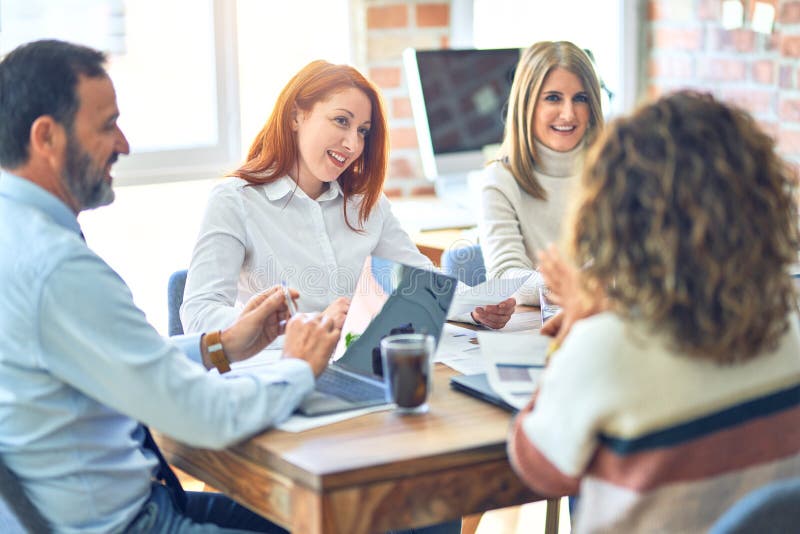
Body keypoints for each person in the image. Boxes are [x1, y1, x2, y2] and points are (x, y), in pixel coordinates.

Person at [0, 39, 341, 533]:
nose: (124, 144)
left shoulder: (17, 236)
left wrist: (219, 346)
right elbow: (203, 416)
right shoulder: (57, 269)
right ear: (46, 137)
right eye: (106, 126)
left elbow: (117, 357)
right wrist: (298, 366)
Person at [508, 91, 800, 532]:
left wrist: (579, 328)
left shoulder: (604, 348)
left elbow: (538, 466)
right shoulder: (789, 330)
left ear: (619, 217)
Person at [180, 60, 514, 336]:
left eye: (363, 132)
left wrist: (475, 307)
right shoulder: (235, 200)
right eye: (341, 121)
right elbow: (198, 315)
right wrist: (300, 326)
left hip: (358, 368)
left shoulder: (366, 203)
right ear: (297, 115)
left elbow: (421, 283)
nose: (353, 145)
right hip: (280, 373)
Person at [476, 41, 605, 305]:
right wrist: (583, 284)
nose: (568, 114)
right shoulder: (500, 180)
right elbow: (505, 280)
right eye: (553, 98)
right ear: (526, 104)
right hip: (539, 330)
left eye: (580, 99)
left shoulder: (614, 172)